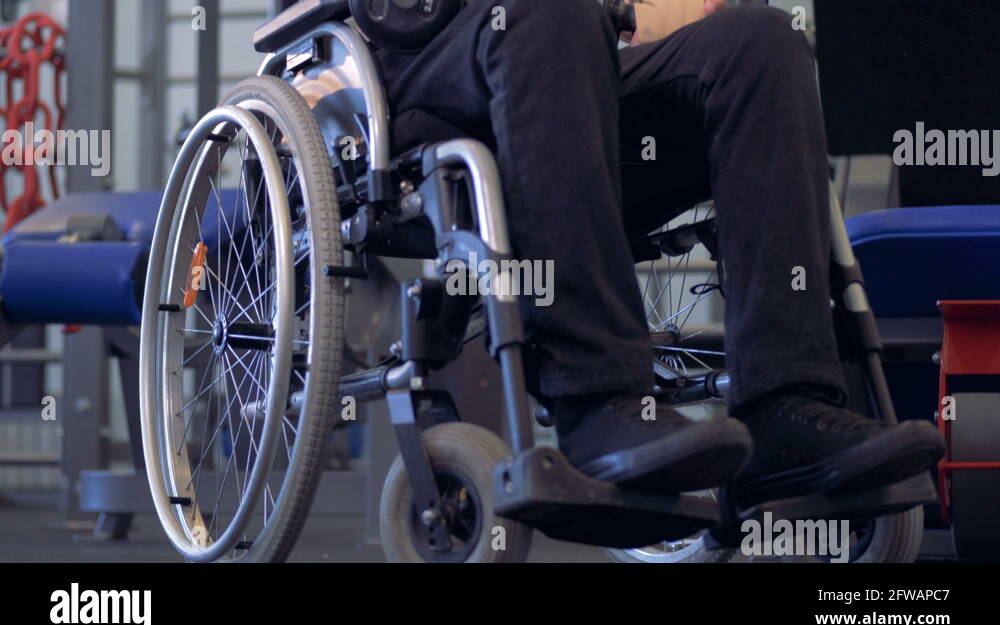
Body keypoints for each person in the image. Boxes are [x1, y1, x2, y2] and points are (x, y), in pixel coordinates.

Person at [374, 0, 943, 508]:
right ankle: (595, 403)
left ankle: (783, 407)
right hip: (428, 66)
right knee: (551, 14)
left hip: (578, 65)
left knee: (763, 41)